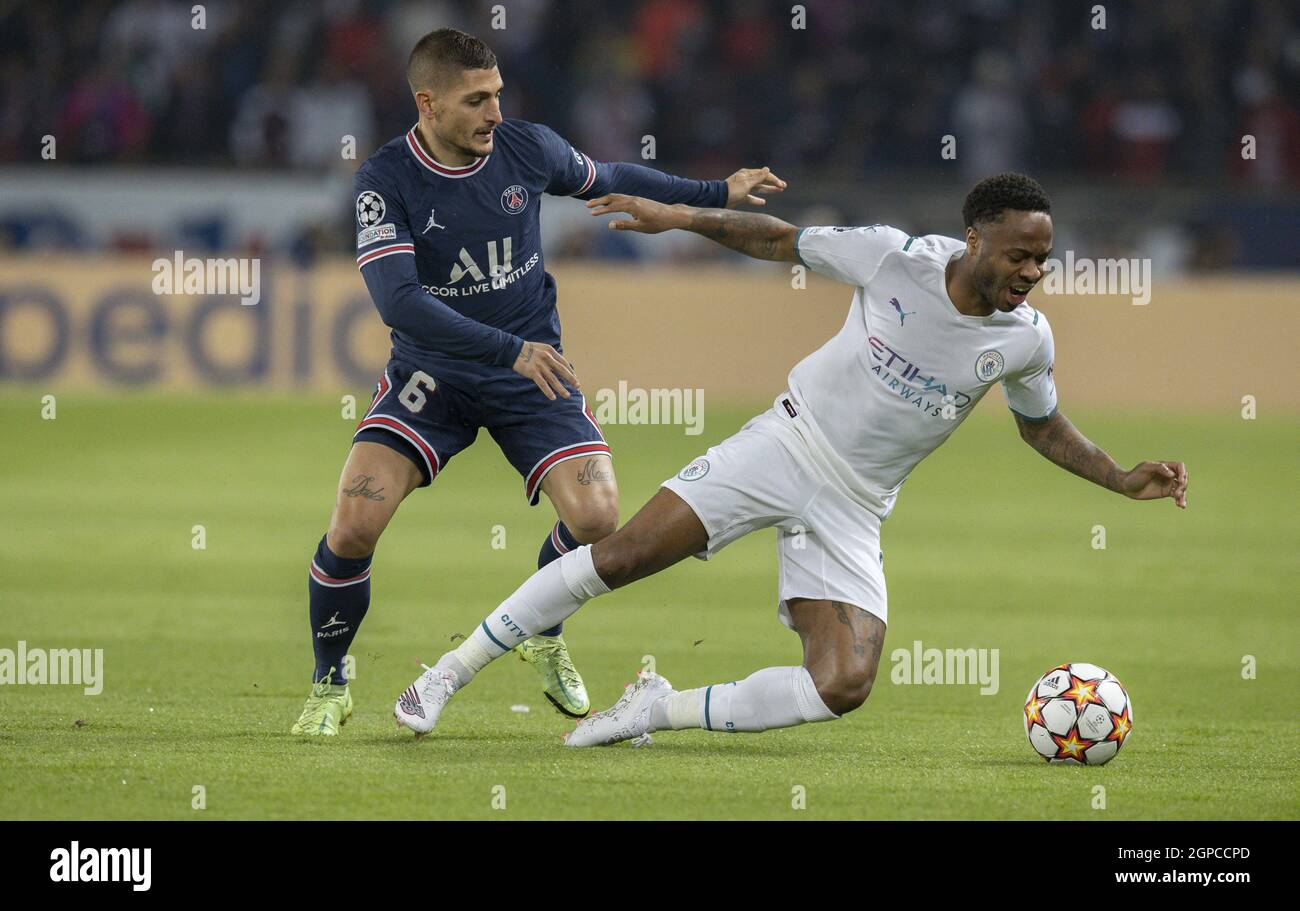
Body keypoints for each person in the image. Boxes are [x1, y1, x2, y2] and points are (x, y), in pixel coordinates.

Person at [391, 172, 1188, 750]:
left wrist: (1120, 477)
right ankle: (448, 674)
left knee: (841, 685)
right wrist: (679, 214)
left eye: (1041, 261)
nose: (1030, 273)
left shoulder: (1026, 339)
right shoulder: (894, 258)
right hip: (786, 444)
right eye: (1019, 255)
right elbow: (779, 240)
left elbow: (1041, 426)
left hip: (857, 505)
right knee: (623, 553)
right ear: (975, 238)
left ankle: (656, 708)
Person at [292, 27, 785, 736]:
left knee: (597, 518)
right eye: (475, 100)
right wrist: (507, 350)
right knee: (354, 520)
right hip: (432, 375)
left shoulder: (526, 148)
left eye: (497, 94)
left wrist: (718, 190)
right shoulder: (384, 181)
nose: (495, 112)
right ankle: (329, 683)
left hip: (532, 374)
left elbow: (611, 175)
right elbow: (401, 305)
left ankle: (540, 629)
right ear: (427, 104)